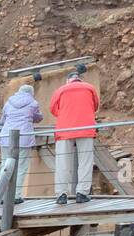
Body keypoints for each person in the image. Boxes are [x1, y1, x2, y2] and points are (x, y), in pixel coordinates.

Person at [50, 64, 100, 204]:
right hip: (86, 128)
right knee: (85, 161)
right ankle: (82, 193)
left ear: (68, 81)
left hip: (64, 130)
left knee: (62, 162)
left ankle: (61, 194)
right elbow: (95, 106)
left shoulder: (60, 90)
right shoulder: (90, 88)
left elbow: (53, 110)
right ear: (80, 79)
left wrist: (66, 114)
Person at [0, 84, 43, 204]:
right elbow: (38, 118)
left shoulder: (9, 102)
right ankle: (16, 195)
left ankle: (3, 195)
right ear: (31, 93)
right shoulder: (33, 103)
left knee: (5, 167)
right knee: (21, 167)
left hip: (6, 137)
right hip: (24, 138)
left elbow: (3, 120)